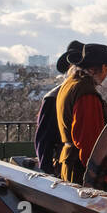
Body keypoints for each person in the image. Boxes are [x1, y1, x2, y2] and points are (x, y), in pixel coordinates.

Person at [56, 43, 107, 183]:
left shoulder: (70, 84)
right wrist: (97, 174)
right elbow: (89, 140)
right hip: (82, 171)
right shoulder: (86, 92)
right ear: (103, 67)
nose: (106, 74)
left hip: (70, 163)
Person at [35, 40, 82, 175]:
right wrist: (46, 172)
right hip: (62, 164)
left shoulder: (86, 94)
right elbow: (44, 140)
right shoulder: (53, 97)